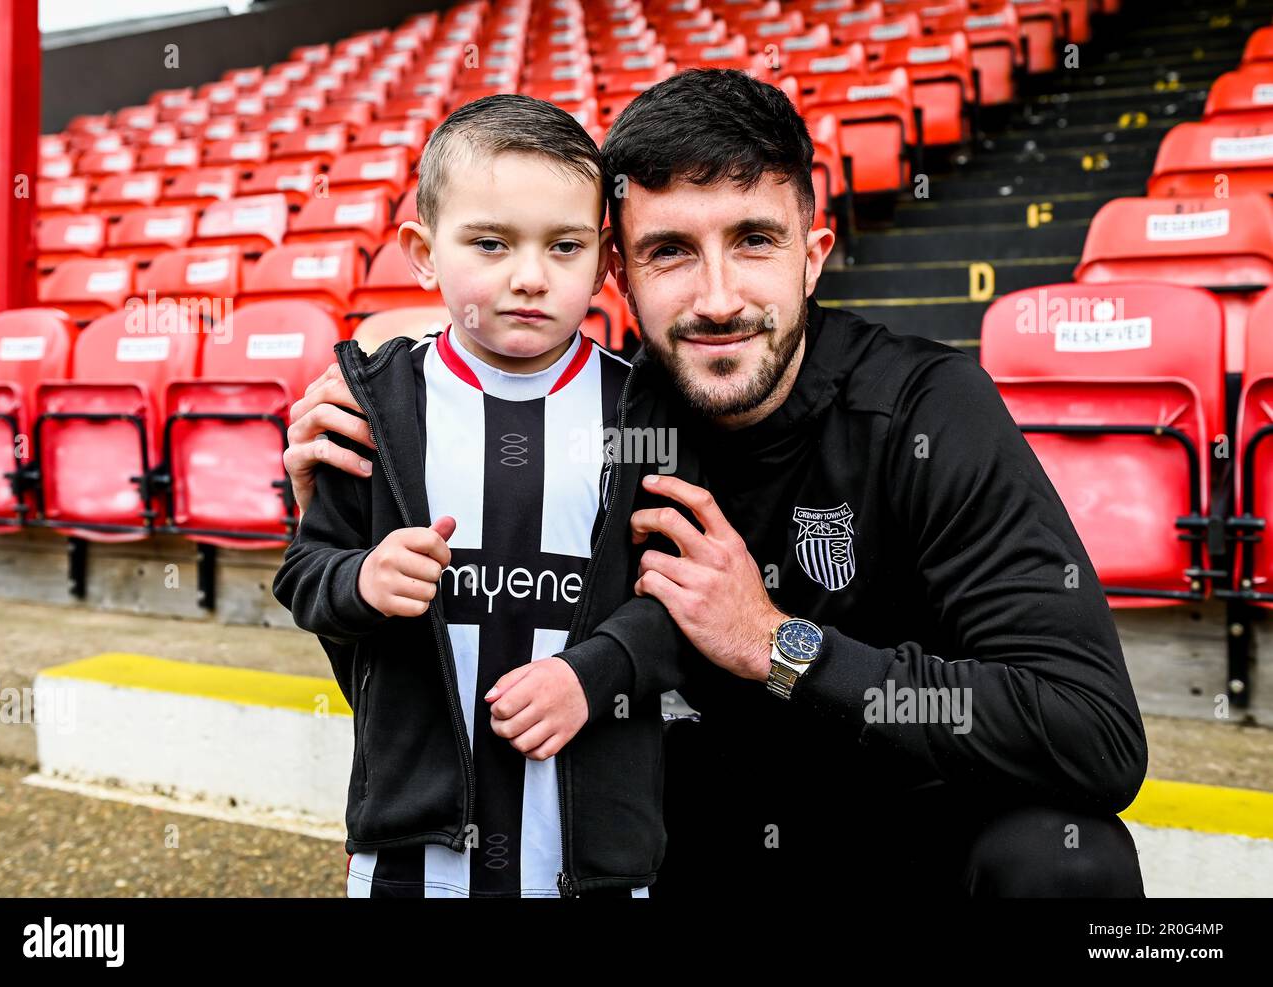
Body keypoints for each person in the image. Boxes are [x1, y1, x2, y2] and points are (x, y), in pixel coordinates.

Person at [284, 70, 1148, 898]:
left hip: (906, 845)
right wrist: (365, 498)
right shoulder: (606, 420)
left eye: (754, 240)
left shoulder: (925, 410)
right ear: (616, 275)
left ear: (813, 256)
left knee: (1066, 862)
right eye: (670, 253)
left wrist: (780, 646)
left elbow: (1091, 733)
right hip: (682, 857)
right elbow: (446, 671)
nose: (720, 298)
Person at [273, 94, 698, 898]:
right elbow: (304, 572)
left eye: (564, 246)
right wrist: (361, 580)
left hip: (594, 852)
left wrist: (597, 671)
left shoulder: (645, 410)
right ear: (423, 252)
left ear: (605, 259)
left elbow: (687, 599)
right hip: (411, 849)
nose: (529, 277)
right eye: (491, 244)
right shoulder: (372, 406)